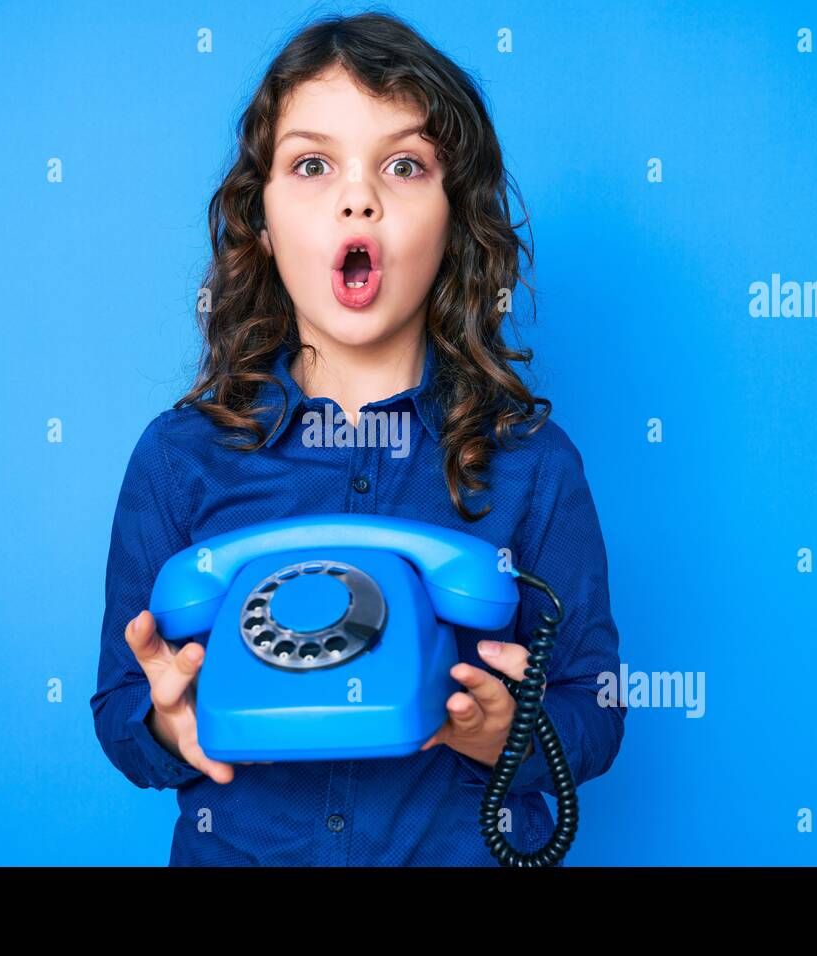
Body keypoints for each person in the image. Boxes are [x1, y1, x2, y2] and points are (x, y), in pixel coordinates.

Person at [90, 11, 625, 866]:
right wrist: (166, 720)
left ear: (454, 220)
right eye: (311, 164)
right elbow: (120, 707)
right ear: (260, 222)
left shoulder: (533, 464)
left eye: (404, 165)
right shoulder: (177, 459)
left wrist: (508, 734)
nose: (357, 195)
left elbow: (595, 707)